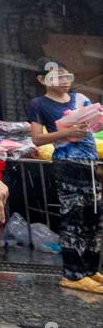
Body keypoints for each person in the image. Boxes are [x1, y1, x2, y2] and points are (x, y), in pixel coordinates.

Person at [28, 58, 102, 293]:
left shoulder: (81, 100)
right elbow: (37, 139)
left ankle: (90, 270)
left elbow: (95, 129)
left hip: (89, 162)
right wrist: (68, 131)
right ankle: (72, 274)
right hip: (66, 162)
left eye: (65, 75)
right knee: (73, 216)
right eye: (56, 77)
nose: (63, 81)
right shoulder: (39, 104)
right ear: (42, 80)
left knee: (94, 215)